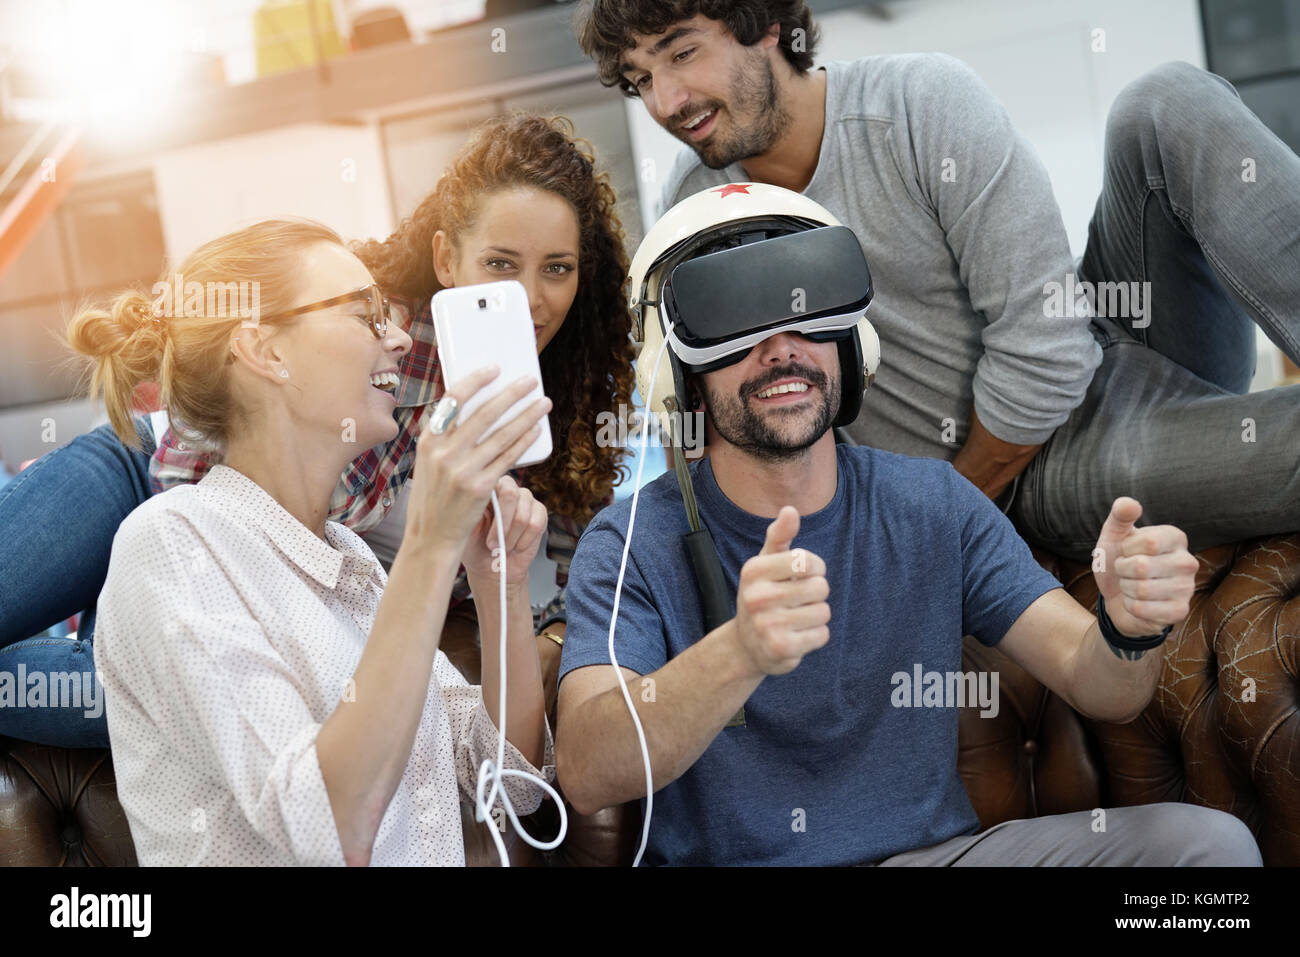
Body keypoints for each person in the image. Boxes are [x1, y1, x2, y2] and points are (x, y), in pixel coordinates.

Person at [552, 185, 1264, 867]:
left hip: (933, 857)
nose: (781, 346)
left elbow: (1101, 683)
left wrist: (1127, 626)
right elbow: (586, 769)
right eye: (736, 323)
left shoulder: (932, 502)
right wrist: (738, 650)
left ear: (849, 341)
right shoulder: (630, 544)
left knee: (1207, 849)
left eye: (806, 305)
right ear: (679, 374)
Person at [573, 0, 1300, 563]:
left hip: (1090, 354)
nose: (666, 102)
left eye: (681, 53)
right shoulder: (699, 212)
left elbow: (1049, 346)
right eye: (640, 79)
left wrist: (950, 510)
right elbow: (721, 433)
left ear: (762, 24)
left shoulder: (920, 102)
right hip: (1046, 468)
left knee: (1162, 101)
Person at [0, 111, 635, 747]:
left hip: (266, 591)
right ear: (446, 257)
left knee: (153, 699)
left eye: (557, 268)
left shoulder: (570, 405)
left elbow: (581, 573)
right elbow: (198, 493)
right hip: (151, 473)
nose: (530, 297)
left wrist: (547, 635)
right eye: (500, 263)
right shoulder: (375, 334)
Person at [70, 218, 554, 865]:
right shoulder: (171, 545)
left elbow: (511, 783)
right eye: (366, 313)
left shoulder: (350, 559)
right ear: (264, 350)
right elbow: (330, 827)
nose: (399, 336)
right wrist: (429, 543)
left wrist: (500, 584)